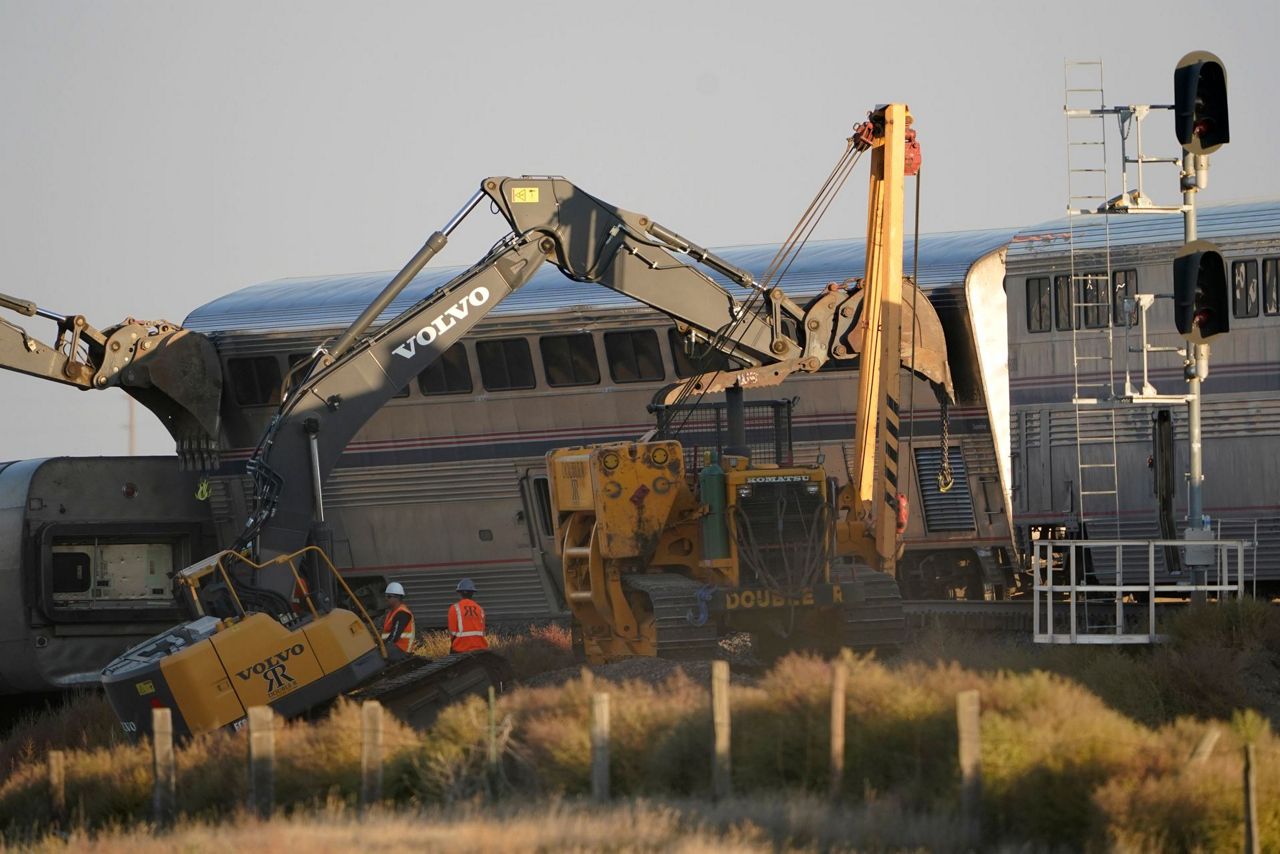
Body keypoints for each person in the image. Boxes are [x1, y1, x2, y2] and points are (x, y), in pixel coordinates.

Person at [448, 578, 488, 653]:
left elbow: (452, 634)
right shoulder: (480, 609)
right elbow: (482, 632)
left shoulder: (454, 608)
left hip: (461, 648)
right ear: (472, 593)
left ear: (460, 593)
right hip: (480, 648)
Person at [381, 581, 416, 654]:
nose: (386, 599)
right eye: (386, 596)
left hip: (401, 650)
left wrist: (382, 648)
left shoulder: (402, 613)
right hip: (395, 648)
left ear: (397, 598)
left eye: (389, 596)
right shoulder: (392, 613)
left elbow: (394, 637)